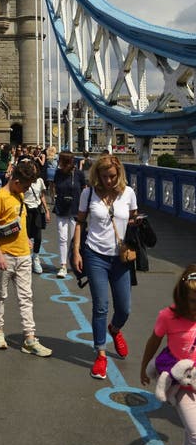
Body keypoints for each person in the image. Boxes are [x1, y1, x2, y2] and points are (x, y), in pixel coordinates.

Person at [71, 153, 138, 380]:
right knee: (100, 305)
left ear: (119, 174)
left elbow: (133, 220)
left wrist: (137, 229)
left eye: (112, 176)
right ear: (97, 174)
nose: (108, 181)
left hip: (120, 258)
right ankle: (100, 354)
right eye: (104, 176)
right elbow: (79, 221)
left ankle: (115, 329)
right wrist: (76, 250)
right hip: (94, 255)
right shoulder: (88, 193)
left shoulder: (128, 194)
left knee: (124, 309)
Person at [0, 158, 52, 357]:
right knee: (0, 296)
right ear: (16, 181)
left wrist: (27, 241)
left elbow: (17, 221)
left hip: (23, 254)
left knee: (26, 298)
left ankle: (29, 339)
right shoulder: (1, 197)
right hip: (5, 256)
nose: (27, 189)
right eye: (25, 185)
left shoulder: (20, 195)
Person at [140, 265, 196, 445]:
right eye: (193, 300)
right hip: (179, 382)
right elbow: (153, 341)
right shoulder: (168, 316)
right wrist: (144, 367)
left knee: (193, 429)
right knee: (194, 430)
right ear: (182, 297)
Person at [52, 151, 85, 278]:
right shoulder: (58, 174)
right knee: (62, 237)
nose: (58, 162)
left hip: (75, 209)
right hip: (61, 208)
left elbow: (84, 188)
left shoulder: (78, 174)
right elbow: (54, 187)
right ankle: (63, 265)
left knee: (73, 238)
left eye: (60, 160)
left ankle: (75, 260)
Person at [24, 168, 50, 274]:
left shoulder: (40, 181)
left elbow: (42, 196)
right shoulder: (24, 181)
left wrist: (47, 210)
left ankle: (35, 258)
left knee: (38, 237)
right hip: (26, 210)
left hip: (37, 210)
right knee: (26, 236)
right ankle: (25, 260)